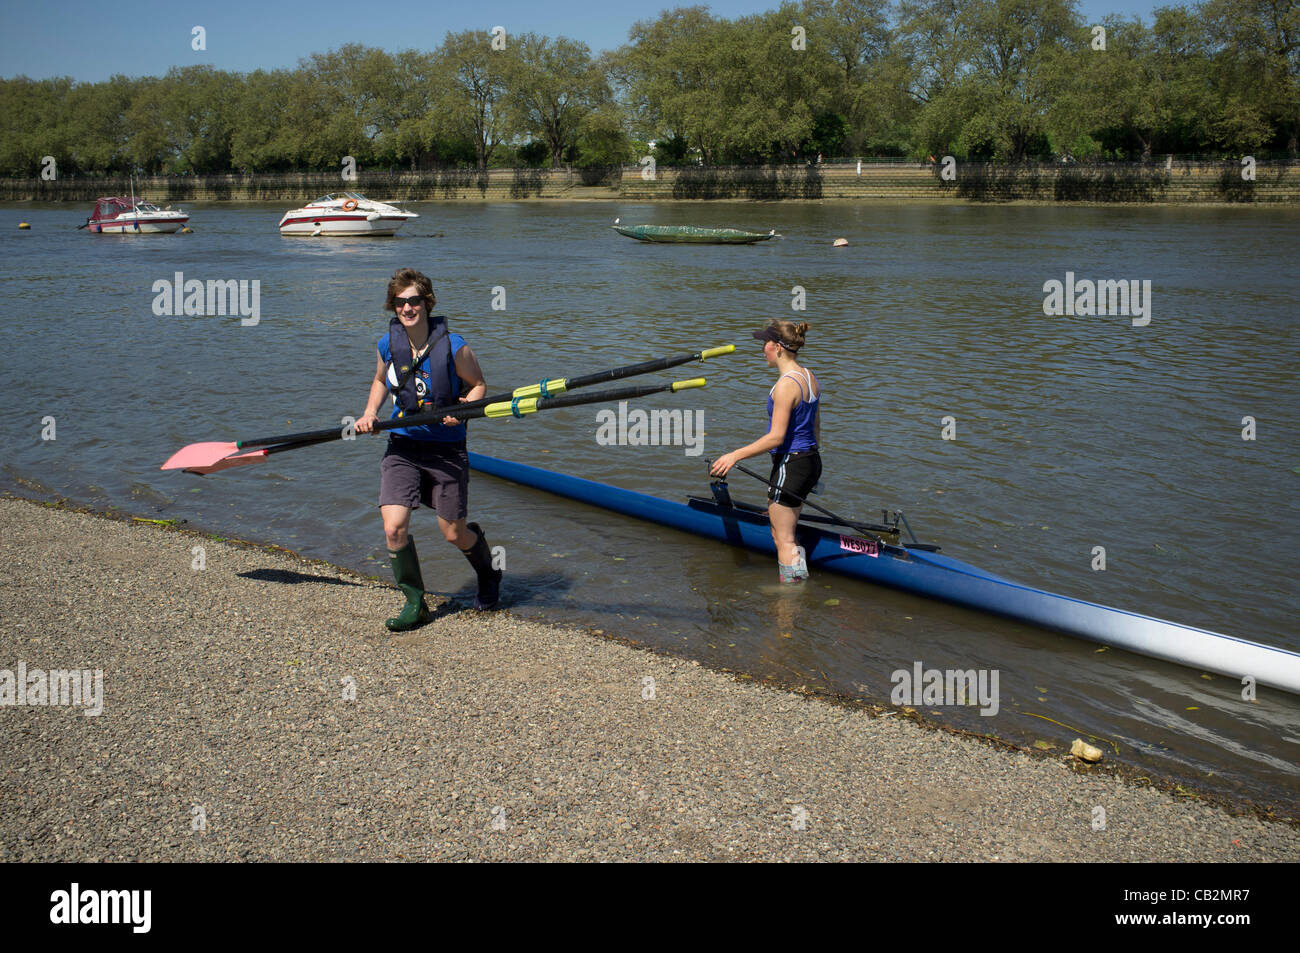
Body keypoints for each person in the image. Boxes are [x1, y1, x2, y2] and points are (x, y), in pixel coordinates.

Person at [356, 268, 503, 628]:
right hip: (403, 446)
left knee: (453, 532)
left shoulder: (454, 346)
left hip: (446, 450)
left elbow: (479, 384)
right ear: (393, 306)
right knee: (394, 528)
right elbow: (379, 380)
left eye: (414, 301)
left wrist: (463, 409)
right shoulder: (385, 345)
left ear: (427, 302)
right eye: (400, 302)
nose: (408, 308)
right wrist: (369, 413)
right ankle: (415, 602)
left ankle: (490, 573)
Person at [709, 319, 821, 583]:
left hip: (790, 464)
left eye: (765, 344)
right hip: (809, 460)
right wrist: (809, 472)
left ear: (779, 347)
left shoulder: (785, 385)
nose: (763, 350)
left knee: (783, 539)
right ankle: (797, 586)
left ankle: (790, 599)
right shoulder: (809, 376)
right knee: (784, 530)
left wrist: (734, 455)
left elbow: (776, 437)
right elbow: (816, 427)